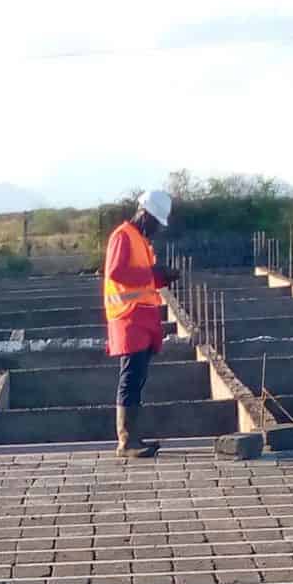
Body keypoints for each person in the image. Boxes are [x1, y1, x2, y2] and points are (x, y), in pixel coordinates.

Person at [102, 188, 176, 458]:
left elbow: (141, 278)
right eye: (156, 222)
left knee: (138, 377)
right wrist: (152, 273)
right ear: (145, 214)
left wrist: (161, 277)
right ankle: (127, 441)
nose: (157, 228)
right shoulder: (123, 236)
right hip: (128, 315)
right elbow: (117, 272)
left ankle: (132, 437)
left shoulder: (140, 240)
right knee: (131, 377)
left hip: (142, 316)